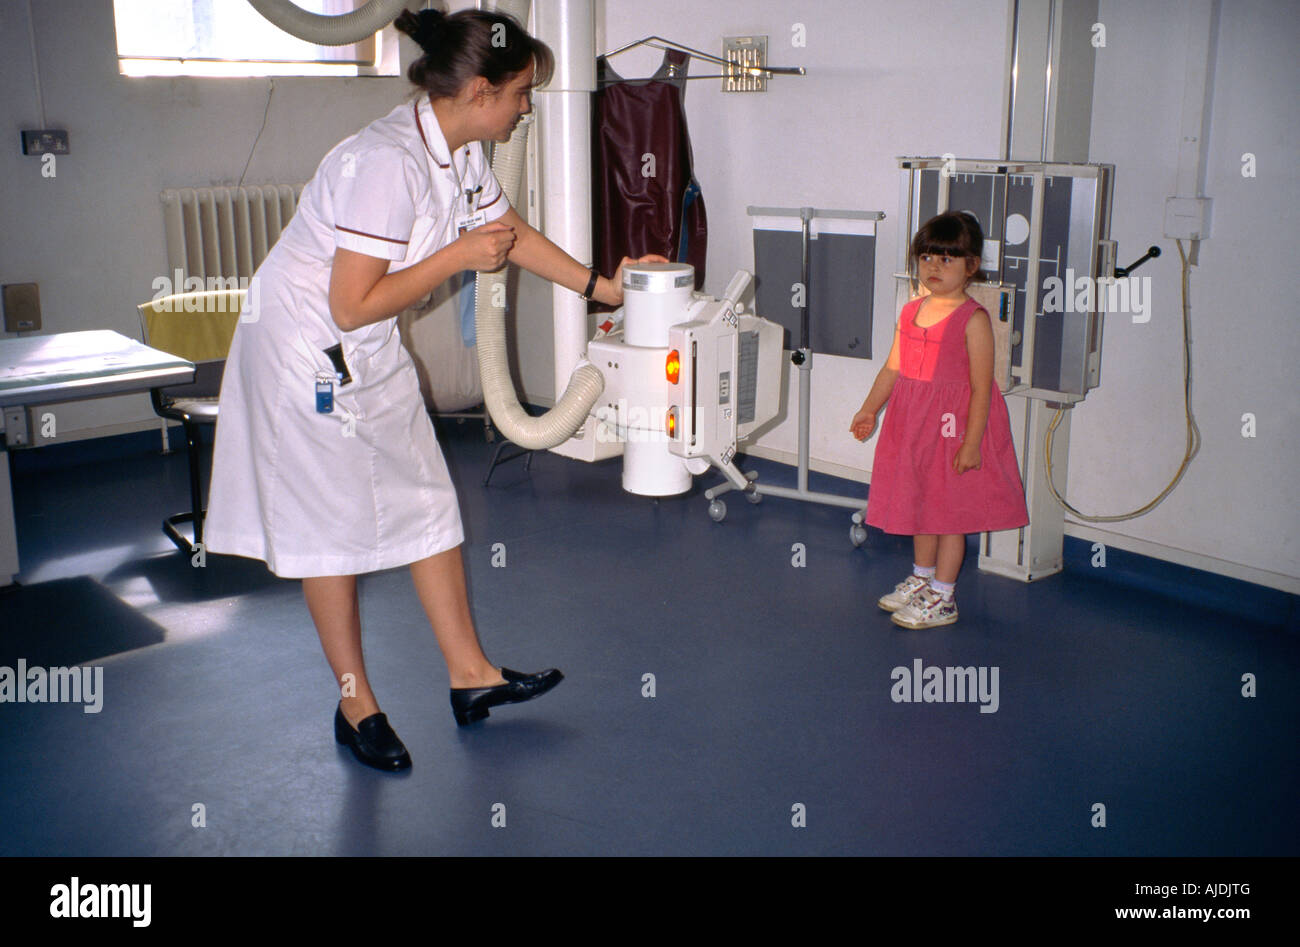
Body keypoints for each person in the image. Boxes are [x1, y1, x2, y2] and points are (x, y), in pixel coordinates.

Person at [204, 8, 662, 771]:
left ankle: (471, 676)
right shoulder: (381, 163)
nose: (526, 107)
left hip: (365, 340)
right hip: (302, 347)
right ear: (480, 90)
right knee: (329, 531)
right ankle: (357, 705)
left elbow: (506, 232)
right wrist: (456, 256)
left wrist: (602, 288)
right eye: (521, 93)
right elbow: (349, 301)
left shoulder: (460, 147)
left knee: (426, 496)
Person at [849, 211, 1028, 629]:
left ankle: (944, 596)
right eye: (927, 256)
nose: (934, 266)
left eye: (947, 258)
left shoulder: (973, 320)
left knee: (950, 513)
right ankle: (922, 578)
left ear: (971, 266)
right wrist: (869, 408)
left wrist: (971, 443)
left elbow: (982, 388)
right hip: (914, 428)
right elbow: (893, 369)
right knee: (921, 504)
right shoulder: (911, 311)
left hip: (953, 430)